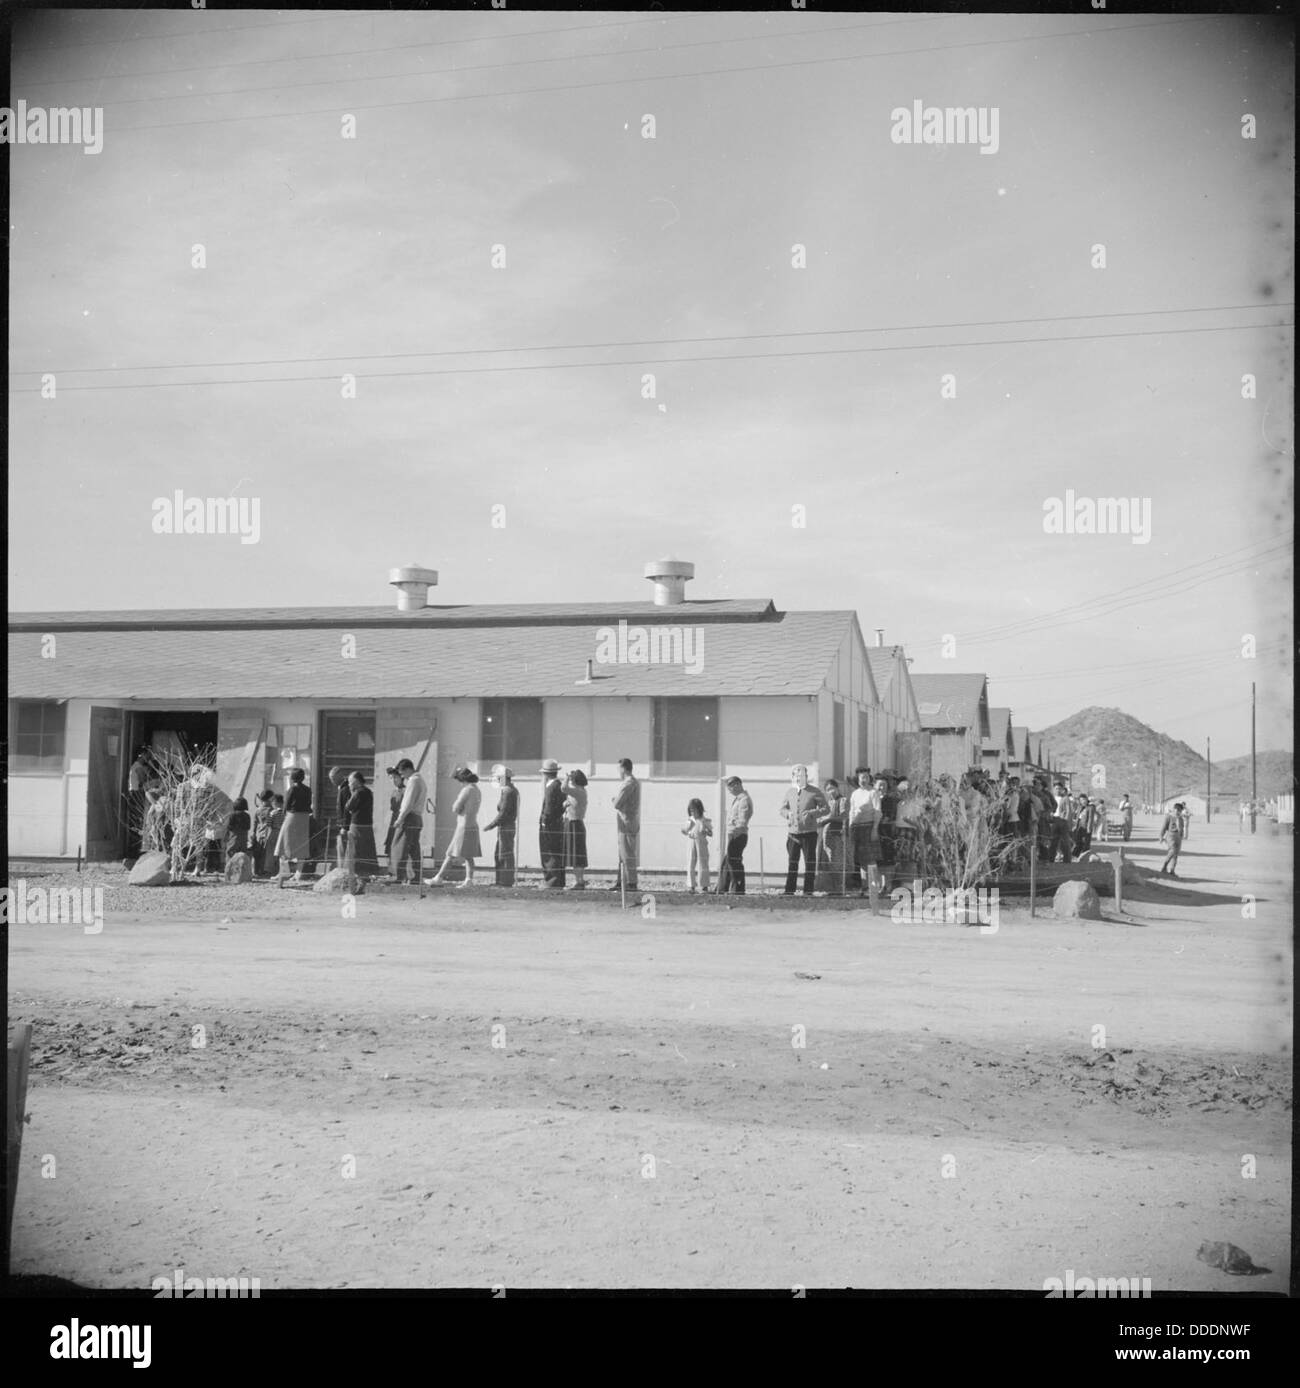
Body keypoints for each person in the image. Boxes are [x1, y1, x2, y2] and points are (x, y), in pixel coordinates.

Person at [428, 767, 481, 888]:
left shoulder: (466, 790)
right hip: (473, 824)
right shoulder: (477, 790)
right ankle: (468, 880)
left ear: (462, 779)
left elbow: (455, 807)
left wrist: (459, 809)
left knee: (450, 853)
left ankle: (439, 878)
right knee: (469, 855)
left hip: (463, 825)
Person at [780, 764, 828, 896]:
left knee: (809, 863)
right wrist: (787, 814)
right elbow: (782, 809)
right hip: (793, 834)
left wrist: (812, 813)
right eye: (796, 775)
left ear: (806, 776)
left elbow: (826, 809)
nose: (799, 777)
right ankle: (789, 890)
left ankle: (808, 891)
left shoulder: (815, 791)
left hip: (809, 834)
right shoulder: (790, 792)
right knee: (792, 863)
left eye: (801, 775)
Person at [390, 758, 426, 884]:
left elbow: (408, 803)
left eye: (402, 772)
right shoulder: (420, 780)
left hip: (409, 817)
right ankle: (415, 877)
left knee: (399, 846)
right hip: (417, 818)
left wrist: (400, 819)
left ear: (408, 769)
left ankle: (398, 876)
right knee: (414, 849)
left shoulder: (413, 781)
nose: (402, 776)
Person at [484, 764, 519, 887]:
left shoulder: (508, 791)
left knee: (504, 853)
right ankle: (502, 880)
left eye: (499, 778)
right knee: (502, 853)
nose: (498, 780)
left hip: (506, 826)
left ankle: (505, 881)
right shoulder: (509, 790)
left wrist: (491, 825)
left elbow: (503, 813)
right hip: (506, 826)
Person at [848, 768, 882, 897]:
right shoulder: (855, 794)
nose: (863, 780)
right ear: (857, 778)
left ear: (869, 778)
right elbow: (852, 812)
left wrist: (875, 829)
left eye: (866, 777)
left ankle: (874, 887)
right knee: (861, 860)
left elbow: (878, 812)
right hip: (857, 828)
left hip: (869, 827)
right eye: (861, 777)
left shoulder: (873, 792)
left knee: (871, 859)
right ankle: (864, 887)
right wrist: (851, 827)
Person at [275, 768, 313, 881]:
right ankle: (298, 873)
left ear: (292, 778)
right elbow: (309, 803)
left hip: (292, 816)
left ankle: (284, 873)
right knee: (302, 845)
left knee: (284, 845)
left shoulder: (292, 789)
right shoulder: (308, 789)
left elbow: (286, 805)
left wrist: (282, 815)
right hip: (305, 817)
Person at [716, 776, 752, 894]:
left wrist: (735, 832)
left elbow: (742, 820)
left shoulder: (744, 800)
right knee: (727, 862)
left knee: (734, 862)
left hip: (738, 835)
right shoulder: (738, 799)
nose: (729, 790)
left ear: (736, 785)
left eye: (730, 787)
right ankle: (722, 888)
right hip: (733, 834)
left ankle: (738, 889)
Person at [611, 757, 640, 891]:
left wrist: (614, 800)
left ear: (623, 768)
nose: (618, 772)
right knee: (624, 852)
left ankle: (630, 882)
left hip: (626, 821)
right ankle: (622, 882)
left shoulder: (628, 783)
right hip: (629, 820)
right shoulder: (633, 782)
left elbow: (617, 803)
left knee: (627, 853)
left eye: (619, 769)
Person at [816, 778, 848, 894]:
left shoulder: (843, 800)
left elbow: (844, 816)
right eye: (828, 789)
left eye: (833, 788)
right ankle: (832, 887)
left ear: (837, 788)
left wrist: (828, 819)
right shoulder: (826, 803)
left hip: (838, 835)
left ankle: (840, 887)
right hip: (826, 835)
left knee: (838, 861)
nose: (831, 791)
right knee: (828, 860)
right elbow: (819, 817)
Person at [345, 771, 380, 881]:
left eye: (350, 782)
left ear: (356, 781)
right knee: (367, 849)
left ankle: (356, 872)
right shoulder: (368, 791)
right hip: (367, 824)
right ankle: (367, 873)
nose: (349, 784)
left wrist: (351, 793)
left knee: (356, 848)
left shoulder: (358, 792)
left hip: (357, 824)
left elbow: (348, 806)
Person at [539, 759, 566, 889]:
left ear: (546, 773)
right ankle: (559, 880)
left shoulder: (550, 787)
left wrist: (544, 821)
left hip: (549, 824)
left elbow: (548, 808)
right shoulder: (559, 785)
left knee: (548, 852)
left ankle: (551, 880)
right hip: (557, 823)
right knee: (556, 852)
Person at [563, 769, 589, 890]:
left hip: (575, 823)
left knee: (576, 854)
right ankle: (579, 880)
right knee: (576, 853)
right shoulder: (580, 791)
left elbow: (563, 788)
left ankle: (579, 881)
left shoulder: (578, 791)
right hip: (576, 822)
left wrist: (566, 777)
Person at [680, 797, 713, 892]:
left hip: (702, 842)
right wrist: (687, 831)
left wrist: (706, 831)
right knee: (690, 862)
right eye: (691, 810)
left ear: (699, 809)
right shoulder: (690, 820)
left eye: (694, 809)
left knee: (703, 863)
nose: (692, 812)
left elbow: (711, 833)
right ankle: (691, 886)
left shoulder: (704, 820)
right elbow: (683, 830)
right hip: (691, 842)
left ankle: (704, 885)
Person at [381, 767, 404, 866]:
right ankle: (391, 871)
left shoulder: (406, 790)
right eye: (392, 778)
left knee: (400, 845)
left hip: (402, 820)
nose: (394, 780)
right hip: (393, 820)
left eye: (395, 777)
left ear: (401, 777)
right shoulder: (394, 792)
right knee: (390, 844)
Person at [1049, 782, 1074, 863]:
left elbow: (1068, 811)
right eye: (1056, 788)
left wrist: (1066, 821)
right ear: (1053, 789)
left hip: (1062, 820)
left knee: (1065, 841)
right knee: (1053, 840)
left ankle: (1067, 859)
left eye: (1059, 789)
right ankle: (1051, 858)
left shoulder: (1065, 798)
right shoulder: (1051, 798)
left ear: (1062, 790)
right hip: (1054, 821)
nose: (1058, 790)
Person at [225, 796, 251, 867]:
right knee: (242, 855)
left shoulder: (232, 815)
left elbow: (229, 827)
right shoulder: (247, 816)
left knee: (230, 853)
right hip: (244, 838)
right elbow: (248, 827)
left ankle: (230, 869)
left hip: (234, 837)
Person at [1160, 801, 1185, 877]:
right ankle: (1164, 866)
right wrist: (1161, 836)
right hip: (1171, 835)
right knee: (1172, 851)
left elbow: (1182, 828)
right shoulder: (1169, 817)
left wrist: (1181, 836)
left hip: (1178, 837)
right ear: (1174, 809)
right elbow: (1164, 827)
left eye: (1179, 810)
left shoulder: (1180, 819)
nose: (1178, 811)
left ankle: (1172, 870)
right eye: (1176, 809)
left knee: (1176, 854)